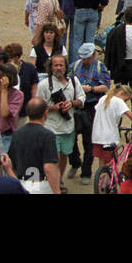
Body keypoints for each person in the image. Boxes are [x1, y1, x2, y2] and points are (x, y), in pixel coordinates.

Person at [36, 54, 84, 188]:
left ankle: (59, 180)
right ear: (50, 67)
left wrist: (71, 103)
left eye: (61, 65)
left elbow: (81, 98)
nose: (58, 68)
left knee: (64, 156)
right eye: (55, 65)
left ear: (66, 66)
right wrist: (52, 108)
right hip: (51, 128)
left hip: (69, 127)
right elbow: (38, 105)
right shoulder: (44, 85)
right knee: (54, 158)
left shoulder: (74, 81)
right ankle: (55, 184)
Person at [69, 43, 111, 184]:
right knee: (71, 137)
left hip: (91, 106)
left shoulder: (100, 67)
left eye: (87, 57)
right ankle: (75, 162)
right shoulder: (74, 66)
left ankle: (86, 172)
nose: (85, 60)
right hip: (76, 105)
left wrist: (91, 89)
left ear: (93, 55)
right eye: (83, 58)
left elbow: (106, 86)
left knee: (89, 140)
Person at [7, 98, 61, 194]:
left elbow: (11, 162)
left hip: (21, 183)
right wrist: (57, 191)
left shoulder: (17, 133)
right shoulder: (47, 135)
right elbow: (49, 167)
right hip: (40, 185)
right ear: (45, 112)